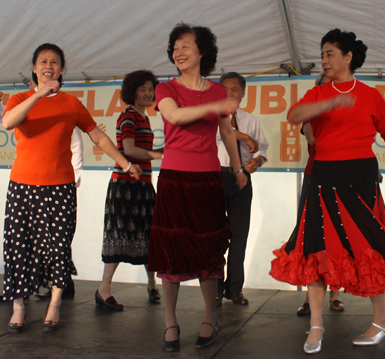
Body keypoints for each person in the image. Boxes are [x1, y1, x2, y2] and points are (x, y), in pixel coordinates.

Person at [270, 29, 385, 355]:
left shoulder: (371, 95)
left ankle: (383, 319)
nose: (325, 59)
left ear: (348, 57)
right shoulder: (318, 95)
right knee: (315, 249)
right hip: (324, 176)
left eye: (330, 53)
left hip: (361, 178)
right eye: (323, 54)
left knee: (370, 246)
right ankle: (316, 324)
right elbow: (293, 115)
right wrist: (329, 100)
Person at [2, 43, 142, 334]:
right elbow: (7, 122)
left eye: (54, 62)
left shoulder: (72, 104)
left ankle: (54, 304)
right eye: (43, 61)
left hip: (60, 187)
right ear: (34, 68)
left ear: (62, 69)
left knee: (58, 246)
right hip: (22, 186)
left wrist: (126, 164)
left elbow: (98, 138)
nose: (48, 66)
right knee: (18, 245)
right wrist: (39, 95)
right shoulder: (20, 98)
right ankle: (18, 306)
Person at [147, 23, 247, 352]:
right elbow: (174, 117)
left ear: (202, 52)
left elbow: (228, 133)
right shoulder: (165, 88)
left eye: (186, 45)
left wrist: (237, 167)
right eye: (175, 46)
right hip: (174, 176)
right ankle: (170, 321)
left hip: (207, 177)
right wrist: (214, 107)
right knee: (171, 250)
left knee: (209, 249)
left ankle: (210, 317)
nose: (179, 51)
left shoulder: (219, 91)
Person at [0, 84, 80, 301]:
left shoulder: (65, 107)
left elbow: (76, 149)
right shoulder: (25, 101)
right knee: (24, 240)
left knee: (56, 241)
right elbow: (6, 118)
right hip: (27, 183)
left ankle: (59, 287)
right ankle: (21, 292)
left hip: (59, 184)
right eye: (35, 84)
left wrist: (72, 181)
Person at [95, 70, 163, 310]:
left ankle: (152, 283)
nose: (147, 93)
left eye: (150, 89)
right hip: (124, 186)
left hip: (144, 185)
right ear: (131, 91)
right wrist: (158, 153)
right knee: (118, 236)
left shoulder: (144, 117)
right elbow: (129, 149)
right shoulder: (128, 116)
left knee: (150, 235)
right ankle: (104, 289)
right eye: (142, 89)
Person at [216, 72, 269, 307]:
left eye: (235, 89)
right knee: (215, 236)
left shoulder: (251, 120)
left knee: (239, 235)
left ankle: (234, 289)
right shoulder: (212, 117)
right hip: (216, 177)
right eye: (225, 89)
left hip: (242, 180)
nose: (229, 93)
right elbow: (224, 131)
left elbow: (262, 150)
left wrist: (256, 162)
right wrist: (245, 136)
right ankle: (215, 289)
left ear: (243, 93)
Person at [296, 73, 344, 316]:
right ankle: (309, 297)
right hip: (315, 175)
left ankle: (336, 294)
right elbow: (315, 138)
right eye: (323, 86)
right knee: (311, 237)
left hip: (341, 177)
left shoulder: (346, 115)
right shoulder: (310, 115)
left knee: (337, 235)